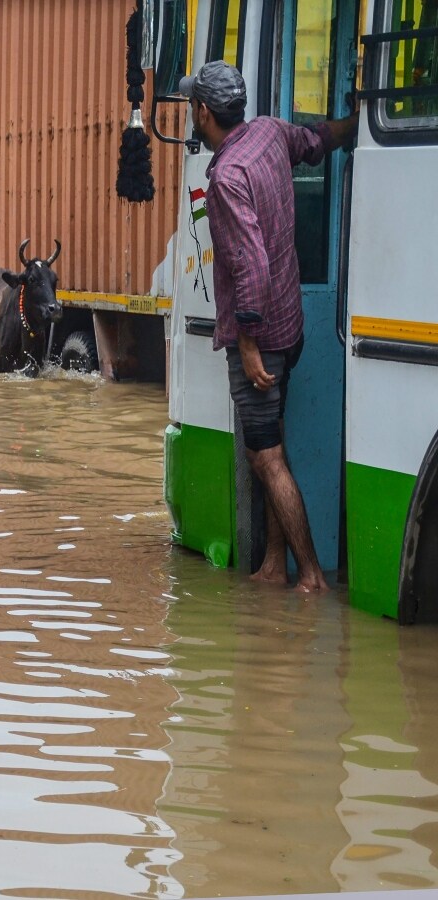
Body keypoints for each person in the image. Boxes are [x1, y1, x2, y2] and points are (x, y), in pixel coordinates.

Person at [180, 60, 357, 594]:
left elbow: (250, 264)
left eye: (192, 106)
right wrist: (357, 122)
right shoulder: (270, 133)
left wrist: (249, 345)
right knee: (274, 441)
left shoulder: (227, 179)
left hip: (263, 339)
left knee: (266, 457)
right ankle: (273, 564)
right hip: (293, 325)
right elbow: (319, 140)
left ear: (204, 112)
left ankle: (311, 578)